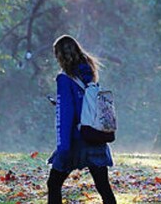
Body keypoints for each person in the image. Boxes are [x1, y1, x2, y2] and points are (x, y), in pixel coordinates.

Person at [47, 34, 116, 204]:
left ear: (60, 55)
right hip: (95, 136)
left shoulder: (64, 78)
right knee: (103, 186)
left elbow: (66, 115)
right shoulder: (89, 73)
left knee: (54, 183)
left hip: (76, 140)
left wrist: (63, 148)